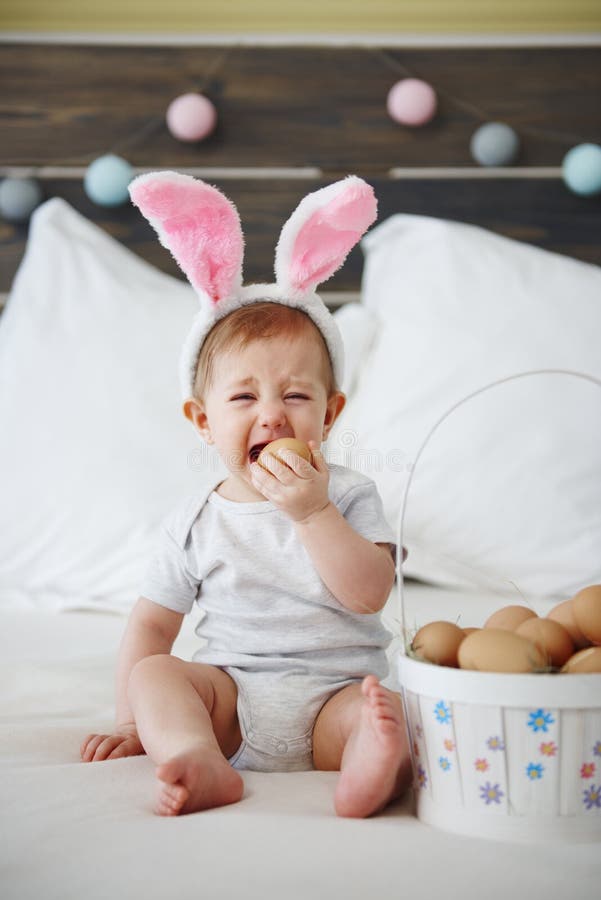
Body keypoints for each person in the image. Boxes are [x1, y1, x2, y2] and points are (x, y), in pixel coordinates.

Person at [80, 172, 411, 818]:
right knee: (156, 674)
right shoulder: (195, 521)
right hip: (230, 703)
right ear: (203, 421)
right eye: (242, 397)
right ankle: (194, 754)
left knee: (385, 713)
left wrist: (313, 513)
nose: (272, 415)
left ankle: (368, 767)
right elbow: (152, 625)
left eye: (296, 395)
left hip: (333, 698)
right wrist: (131, 721)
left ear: (329, 413)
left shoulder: (347, 494)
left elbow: (370, 592)